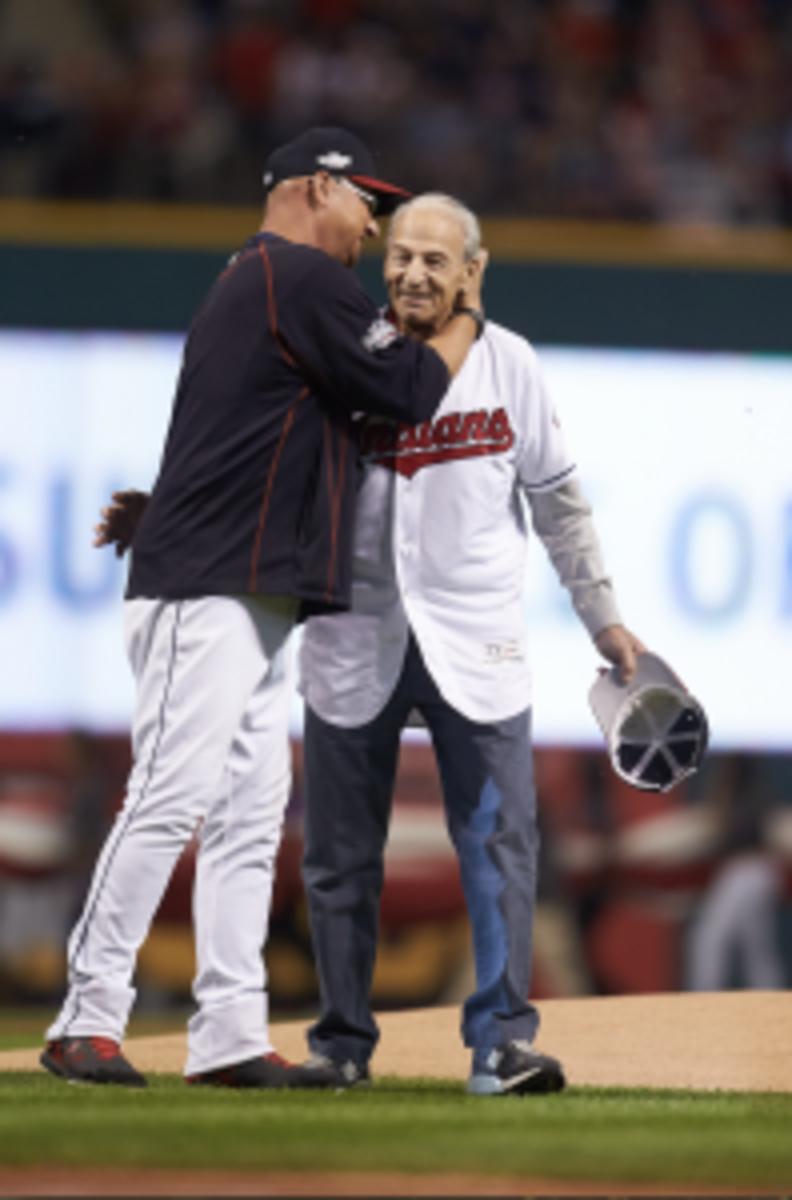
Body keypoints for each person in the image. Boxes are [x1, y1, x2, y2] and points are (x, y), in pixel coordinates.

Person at [42, 130, 482, 1089]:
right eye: (364, 198)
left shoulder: (252, 281)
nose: (374, 221)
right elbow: (409, 390)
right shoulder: (300, 276)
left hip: (240, 587)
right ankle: (85, 1019)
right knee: (168, 798)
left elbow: (243, 429)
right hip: (210, 589)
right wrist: (466, 319)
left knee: (246, 817)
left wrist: (165, 507)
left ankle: (231, 1037)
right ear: (319, 189)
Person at [296, 193, 646, 1096]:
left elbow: (559, 503)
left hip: (476, 635)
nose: (413, 273)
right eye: (401, 255)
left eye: (435, 260)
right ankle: (340, 1045)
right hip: (355, 628)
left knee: (500, 844)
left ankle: (499, 1044)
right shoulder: (344, 351)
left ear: (473, 273)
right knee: (339, 854)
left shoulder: (511, 365)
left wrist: (601, 615)